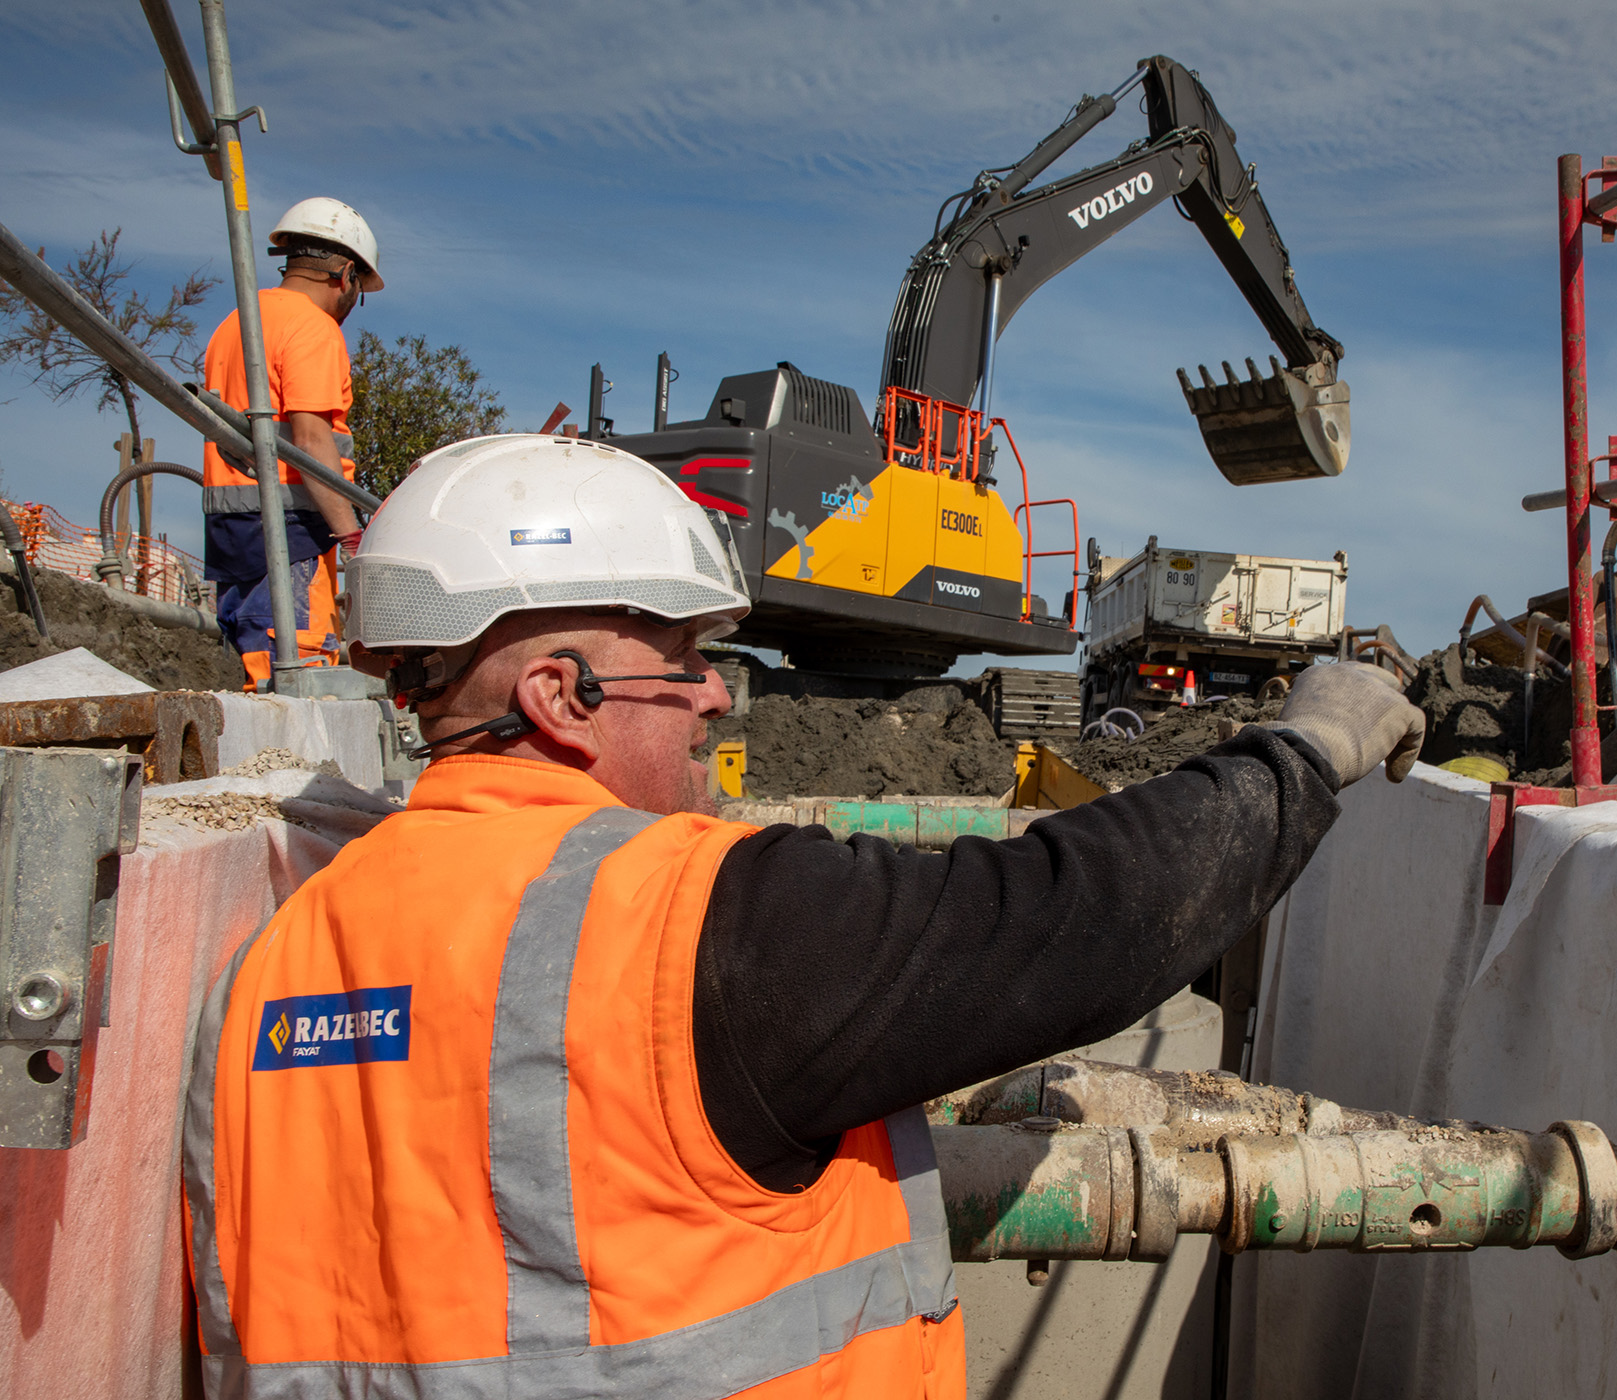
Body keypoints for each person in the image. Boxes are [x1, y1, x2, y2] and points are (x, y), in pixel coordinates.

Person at [182, 434, 1426, 1399]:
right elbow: (1072, 917)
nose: (720, 696)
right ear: (561, 695)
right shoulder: (686, 915)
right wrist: (1302, 750)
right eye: (684, 657)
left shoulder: (267, 966)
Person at [198, 197, 382, 688]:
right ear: (345, 275)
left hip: (232, 532)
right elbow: (311, 439)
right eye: (359, 291)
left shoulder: (236, 324)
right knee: (296, 672)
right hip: (292, 528)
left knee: (253, 665)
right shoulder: (313, 328)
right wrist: (352, 536)